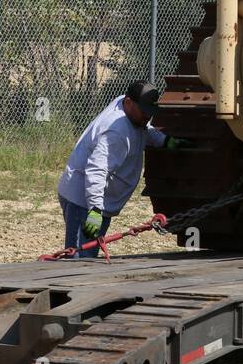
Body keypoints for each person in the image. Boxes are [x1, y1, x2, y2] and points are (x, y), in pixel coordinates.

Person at [57, 81, 179, 257]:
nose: (147, 116)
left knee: (86, 257)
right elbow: (96, 170)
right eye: (144, 110)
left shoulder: (127, 108)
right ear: (129, 102)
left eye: (150, 111)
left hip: (92, 199)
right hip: (83, 201)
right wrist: (95, 211)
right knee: (79, 259)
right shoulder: (116, 133)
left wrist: (163, 140)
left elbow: (144, 129)